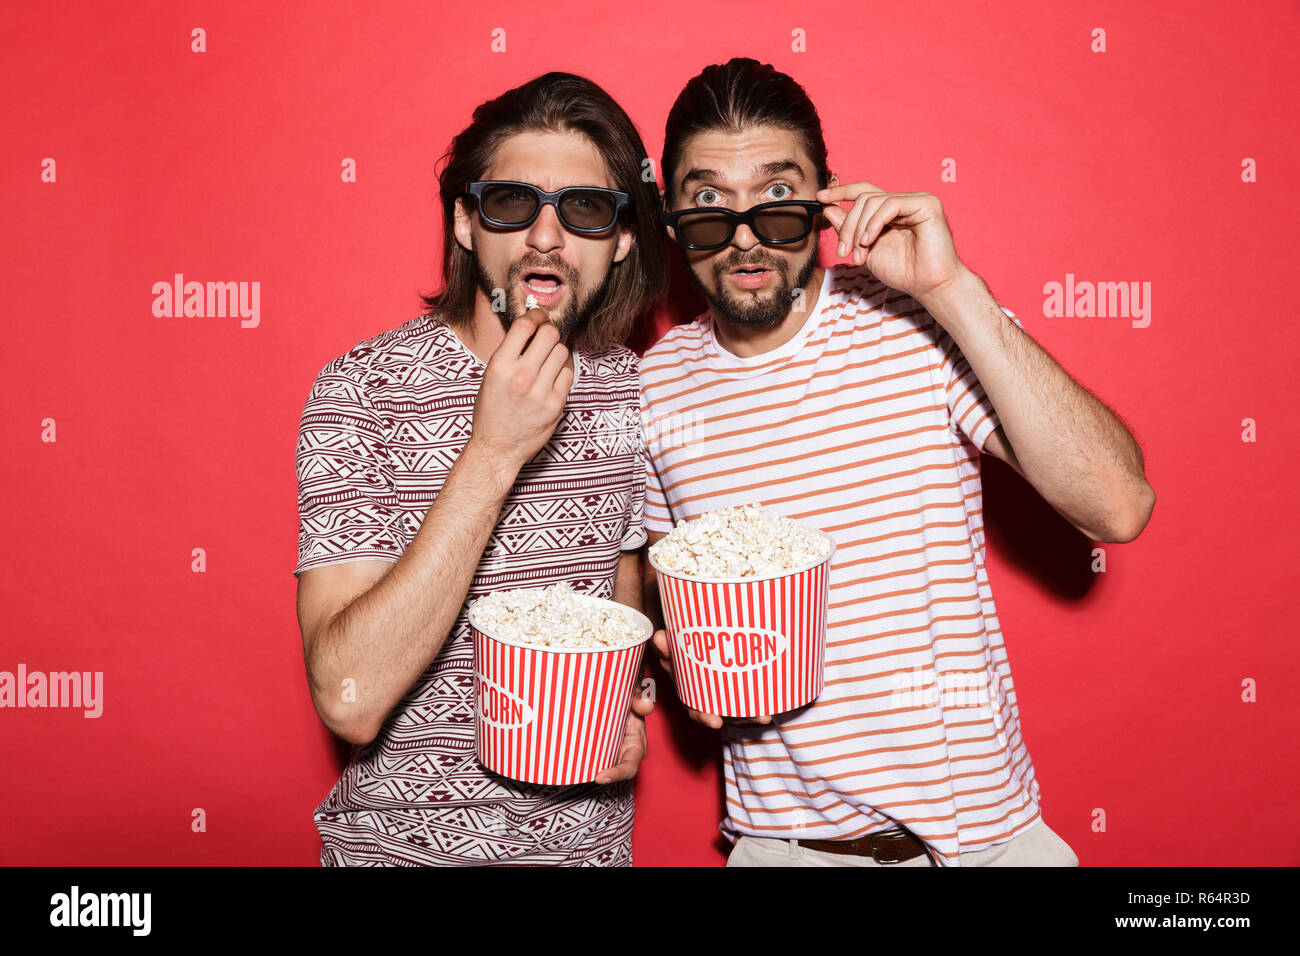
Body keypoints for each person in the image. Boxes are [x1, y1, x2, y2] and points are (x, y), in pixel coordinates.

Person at [639, 58, 1155, 867]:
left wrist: (951, 288)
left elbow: (1117, 507)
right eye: (708, 204)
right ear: (670, 222)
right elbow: (671, 594)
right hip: (787, 850)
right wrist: (676, 659)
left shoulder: (913, 322)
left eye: (777, 197)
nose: (743, 235)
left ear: (827, 202)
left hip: (987, 845)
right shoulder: (653, 387)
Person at [293, 71, 668, 866]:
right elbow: (346, 698)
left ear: (623, 239)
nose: (544, 237)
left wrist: (631, 705)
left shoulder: (633, 389)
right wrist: (493, 452)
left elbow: (622, 584)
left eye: (585, 208)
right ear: (466, 222)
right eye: (510, 203)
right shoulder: (363, 389)